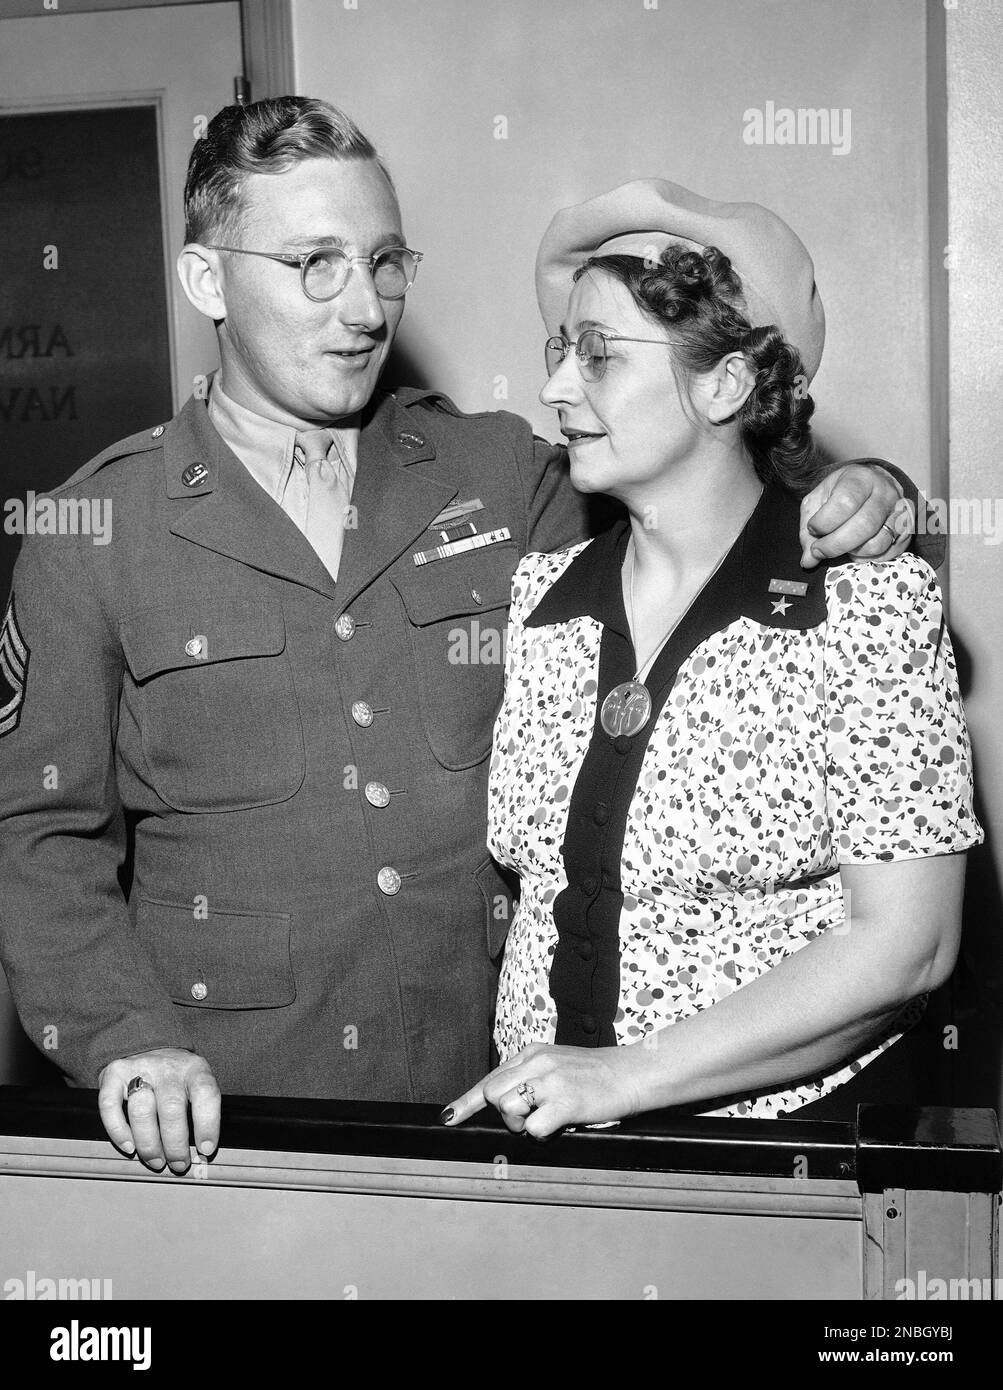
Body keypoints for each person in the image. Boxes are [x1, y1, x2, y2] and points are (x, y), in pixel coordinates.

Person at [0, 101, 916, 1174]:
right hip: (230, 1127)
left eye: (384, 262)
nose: (363, 307)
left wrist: (864, 493)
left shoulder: (498, 474)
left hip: (493, 1109)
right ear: (208, 281)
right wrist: (126, 1038)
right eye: (313, 263)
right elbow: (37, 835)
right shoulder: (95, 531)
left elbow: (698, 514)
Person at [442, 179, 982, 1137]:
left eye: (598, 357)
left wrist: (625, 1078)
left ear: (725, 384)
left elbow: (910, 946)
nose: (555, 387)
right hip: (543, 1148)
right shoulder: (543, 597)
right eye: (560, 351)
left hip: (777, 1156)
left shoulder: (863, 602)